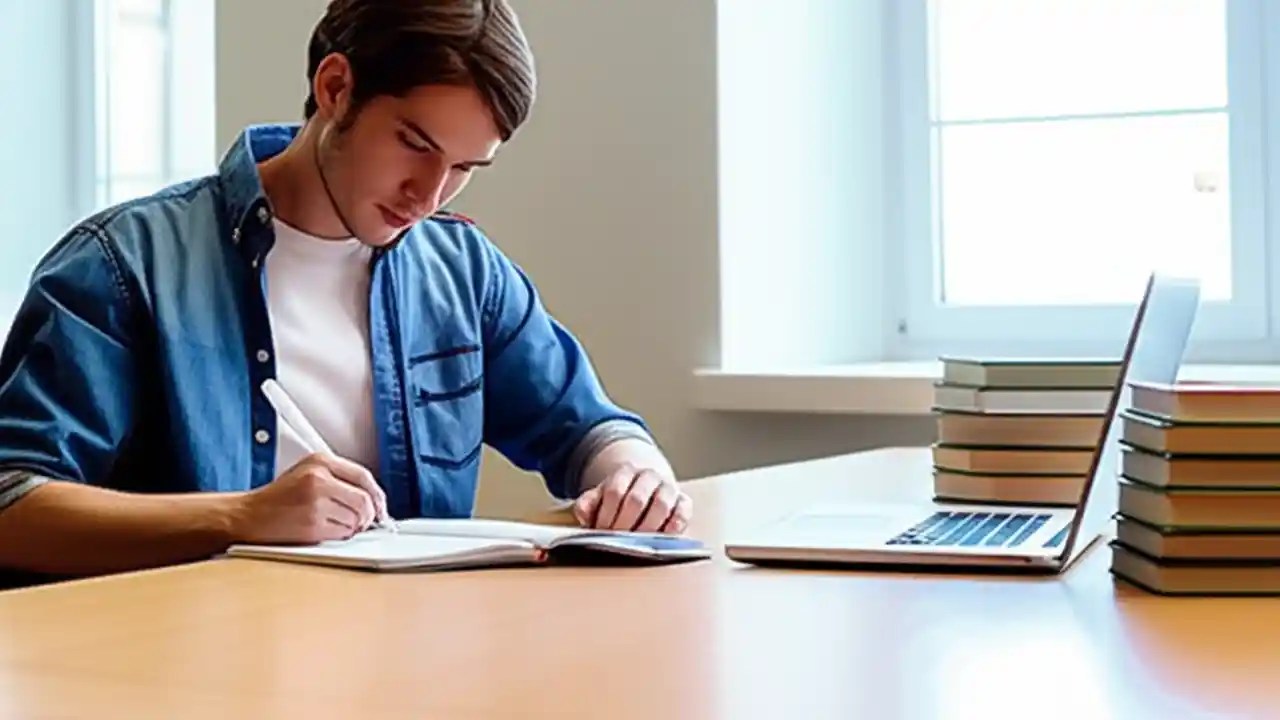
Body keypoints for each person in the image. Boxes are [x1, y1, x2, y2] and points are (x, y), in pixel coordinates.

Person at [0, 0, 691, 585]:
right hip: (179, 666)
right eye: (414, 144)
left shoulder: (461, 271)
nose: (430, 195)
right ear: (335, 88)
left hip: (399, 666)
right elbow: (13, 508)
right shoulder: (125, 265)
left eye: (465, 167)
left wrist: (635, 471)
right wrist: (240, 516)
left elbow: (588, 427)